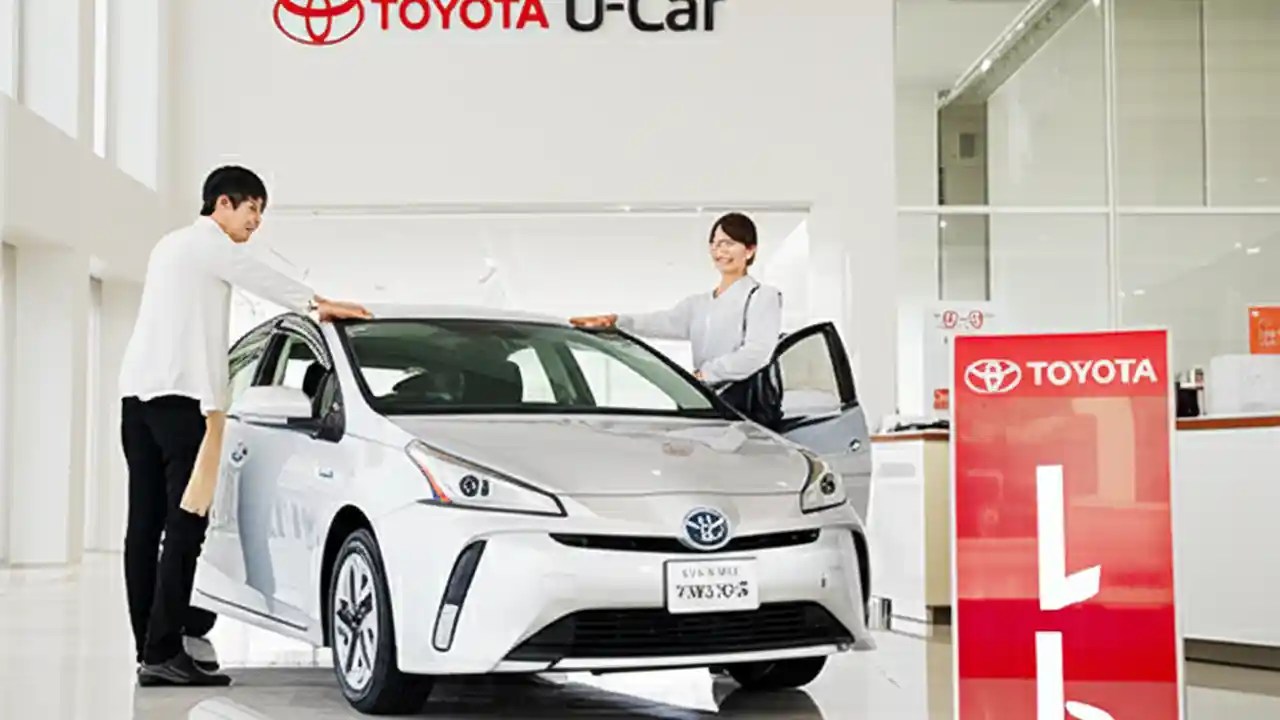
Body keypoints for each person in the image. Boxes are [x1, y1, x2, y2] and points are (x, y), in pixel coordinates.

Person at [117, 165, 372, 687]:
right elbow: (258, 275)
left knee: (144, 528)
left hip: (137, 402)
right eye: (252, 208)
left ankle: (152, 645)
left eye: (260, 212)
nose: (256, 221)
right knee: (187, 524)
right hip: (181, 403)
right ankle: (163, 651)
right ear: (223, 204)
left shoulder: (168, 246)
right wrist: (318, 304)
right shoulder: (207, 243)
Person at [570, 211, 783, 400]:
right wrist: (616, 321)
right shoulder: (698, 304)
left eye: (729, 243)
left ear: (750, 250)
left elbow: (757, 352)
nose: (720, 251)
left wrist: (705, 375)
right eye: (715, 244)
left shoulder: (762, 296)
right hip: (709, 400)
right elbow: (661, 322)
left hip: (745, 404)